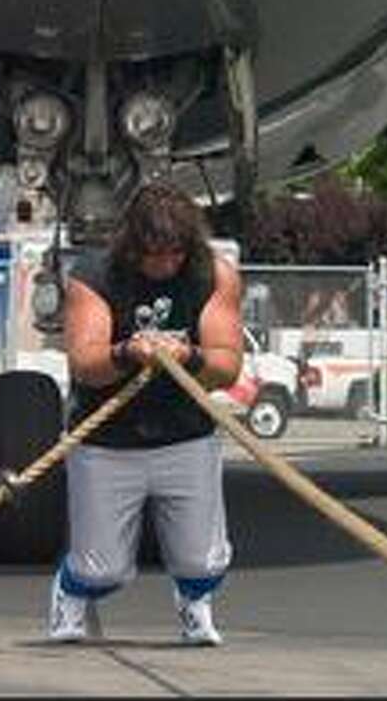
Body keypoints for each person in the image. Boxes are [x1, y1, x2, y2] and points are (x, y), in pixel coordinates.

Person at [48, 181, 243, 646]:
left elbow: (227, 366)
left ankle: (194, 602)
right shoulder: (94, 276)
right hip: (108, 440)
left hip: (186, 434)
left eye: (176, 253)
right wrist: (126, 352)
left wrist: (189, 355)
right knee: (104, 567)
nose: (166, 264)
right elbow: (86, 364)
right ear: (132, 244)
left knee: (203, 560)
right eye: (154, 254)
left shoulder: (214, 275)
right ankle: (70, 592)